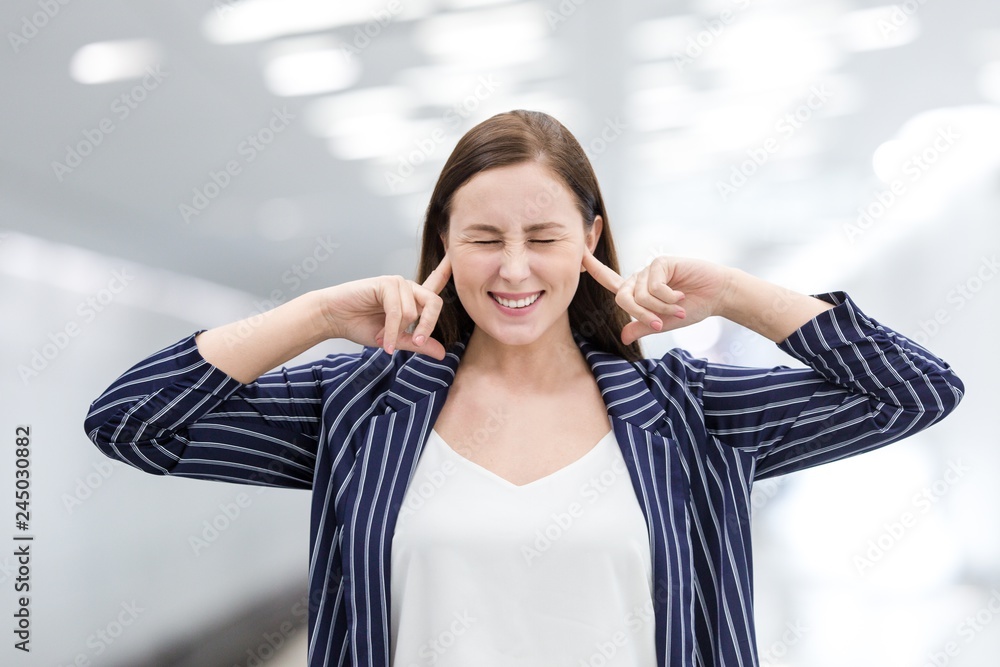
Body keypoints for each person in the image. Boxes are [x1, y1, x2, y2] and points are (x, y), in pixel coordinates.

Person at [84, 110, 965, 667]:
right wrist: (315, 312)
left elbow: (913, 390)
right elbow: (132, 421)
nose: (512, 269)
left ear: (591, 238)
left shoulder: (692, 414)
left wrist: (734, 292)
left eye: (542, 236)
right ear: (442, 243)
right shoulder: (360, 408)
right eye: (482, 237)